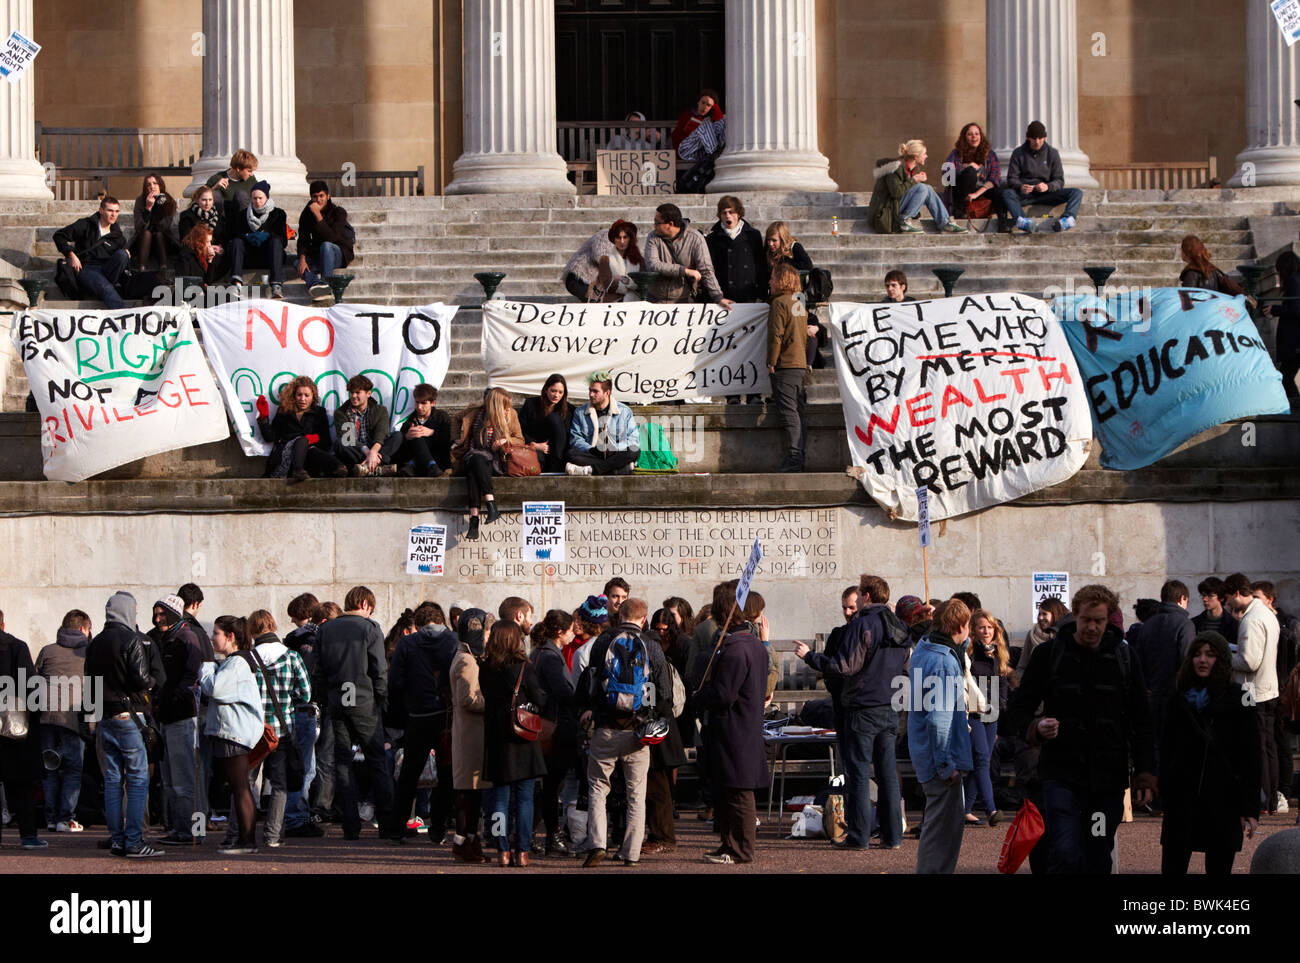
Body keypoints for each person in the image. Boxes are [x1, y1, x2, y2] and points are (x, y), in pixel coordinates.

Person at [1006, 585, 1156, 874]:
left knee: (1097, 853)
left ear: (1108, 619)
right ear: (1074, 614)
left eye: (1099, 621)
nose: (1092, 627)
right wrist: (1036, 727)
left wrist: (1145, 773)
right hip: (1061, 775)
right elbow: (1018, 710)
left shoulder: (1124, 658)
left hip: (1106, 780)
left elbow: (1141, 720)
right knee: (1064, 852)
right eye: (1086, 619)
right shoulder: (1048, 655)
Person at [797, 574, 910, 850]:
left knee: (858, 773)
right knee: (887, 774)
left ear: (867, 597)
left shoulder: (863, 625)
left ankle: (859, 836)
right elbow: (906, 665)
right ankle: (893, 835)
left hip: (863, 706)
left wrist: (810, 656)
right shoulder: (900, 626)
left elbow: (845, 665)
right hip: (890, 704)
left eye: (859, 595)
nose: (856, 600)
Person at [576, 597, 671, 867]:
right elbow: (664, 692)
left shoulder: (603, 642)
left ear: (619, 615)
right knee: (635, 793)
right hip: (638, 732)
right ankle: (631, 852)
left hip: (605, 728)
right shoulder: (651, 646)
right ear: (644, 619)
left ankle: (597, 844)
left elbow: (590, 684)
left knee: (597, 788)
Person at [1160, 632, 1260, 874]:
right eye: (1197, 654)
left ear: (1222, 660)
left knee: (1219, 866)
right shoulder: (1178, 696)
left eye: (1210, 655)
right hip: (1182, 799)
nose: (1202, 660)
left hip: (1223, 799)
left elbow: (1251, 755)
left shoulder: (1240, 697)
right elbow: (1165, 746)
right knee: (1173, 865)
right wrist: (1165, 786)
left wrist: (1250, 808)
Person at [84, 592, 163, 857]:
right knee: (139, 779)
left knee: (113, 779)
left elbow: (89, 684)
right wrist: (151, 683)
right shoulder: (131, 639)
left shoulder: (95, 643)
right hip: (128, 716)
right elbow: (142, 680)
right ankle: (134, 841)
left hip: (105, 718)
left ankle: (117, 839)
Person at [695, 584, 769, 864]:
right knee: (726, 790)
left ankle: (740, 850)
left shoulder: (738, 648)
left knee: (738, 792)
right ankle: (728, 844)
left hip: (735, 728)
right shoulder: (748, 645)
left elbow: (725, 693)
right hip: (735, 728)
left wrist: (700, 697)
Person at [314, 586, 395, 840]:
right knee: (377, 762)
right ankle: (388, 825)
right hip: (365, 701)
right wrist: (382, 698)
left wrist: (325, 699)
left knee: (343, 762)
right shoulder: (370, 629)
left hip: (338, 701)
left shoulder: (326, 629)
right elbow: (379, 669)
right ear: (364, 603)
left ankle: (351, 825)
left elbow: (318, 670)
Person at [908, 598, 974, 873]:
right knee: (943, 836)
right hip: (940, 760)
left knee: (937, 831)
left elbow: (957, 643)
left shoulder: (925, 646)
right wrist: (946, 766)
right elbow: (939, 720)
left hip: (924, 749)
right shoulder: (945, 662)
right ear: (960, 626)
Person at [478, 621, 547, 867]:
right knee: (525, 798)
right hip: (522, 736)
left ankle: (502, 851)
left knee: (499, 798)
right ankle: (523, 851)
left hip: (496, 736)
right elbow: (540, 698)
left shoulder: (485, 667)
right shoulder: (523, 667)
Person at [389, 602, 458, 845]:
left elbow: (395, 681)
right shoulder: (453, 641)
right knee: (446, 774)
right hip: (446, 716)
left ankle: (397, 827)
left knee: (409, 773)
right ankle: (438, 828)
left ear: (418, 624)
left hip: (418, 716)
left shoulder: (408, 643)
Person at [200, 615, 263, 854]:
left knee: (240, 788)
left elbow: (216, 689)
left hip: (234, 733)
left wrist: (206, 668)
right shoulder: (235, 662)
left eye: (216, 633)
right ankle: (243, 840)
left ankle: (247, 841)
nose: (212, 637)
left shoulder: (236, 663)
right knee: (239, 787)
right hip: (233, 732)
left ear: (231, 637)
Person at [247, 610, 311, 849]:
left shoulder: (248, 658)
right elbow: (305, 692)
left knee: (246, 783)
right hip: (282, 731)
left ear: (252, 630)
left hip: (253, 730)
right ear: (273, 625)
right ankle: (272, 835)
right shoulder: (292, 656)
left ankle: (244, 833)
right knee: (279, 785)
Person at [1223, 572, 1282, 814]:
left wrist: (1225, 655)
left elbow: (1249, 661)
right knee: (1269, 747)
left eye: (1228, 598)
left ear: (1237, 593)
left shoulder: (1251, 619)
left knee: (1257, 748)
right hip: (1267, 688)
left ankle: (1263, 799)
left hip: (1253, 692)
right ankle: (1270, 799)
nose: (1227, 604)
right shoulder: (1265, 613)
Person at [1128, 580, 1196, 786]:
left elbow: (1138, 661)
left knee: (1155, 745)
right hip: (1176, 696)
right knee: (1178, 746)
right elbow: (1187, 661)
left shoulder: (1148, 625)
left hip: (1152, 695)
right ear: (1182, 599)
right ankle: (1173, 792)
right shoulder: (1185, 624)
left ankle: (1156, 793)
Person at [151, 595, 205, 845]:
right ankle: (182, 828)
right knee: (173, 779)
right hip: (169, 714)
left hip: (182, 715)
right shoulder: (168, 637)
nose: (158, 619)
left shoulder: (186, 637)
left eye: (163, 614)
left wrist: (174, 695)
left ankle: (192, 831)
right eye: (156, 614)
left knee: (185, 779)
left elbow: (193, 675)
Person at [35, 610, 90, 834]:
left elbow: (34, 680)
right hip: (72, 718)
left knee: (49, 768)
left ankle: (50, 818)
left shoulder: (48, 651)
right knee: (73, 769)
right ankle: (65, 818)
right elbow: (92, 688)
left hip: (46, 717)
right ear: (82, 629)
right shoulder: (88, 652)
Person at [529, 610, 577, 856]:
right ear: (560, 632)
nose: (573, 633)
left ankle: (532, 833)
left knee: (547, 786)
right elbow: (563, 692)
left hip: (544, 725)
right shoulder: (550, 657)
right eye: (570, 629)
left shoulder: (539, 652)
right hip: (554, 727)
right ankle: (550, 836)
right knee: (551, 786)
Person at [642, 608, 688, 854]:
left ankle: (662, 837)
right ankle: (658, 835)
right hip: (663, 729)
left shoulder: (654, 664)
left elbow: (657, 699)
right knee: (657, 786)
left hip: (658, 731)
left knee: (657, 787)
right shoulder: (660, 659)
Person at [451, 387, 525, 540]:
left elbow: (520, 440)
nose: (508, 410)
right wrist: (456, 439)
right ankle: (491, 504)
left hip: (497, 462)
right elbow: (455, 419)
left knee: (474, 468)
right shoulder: (476, 412)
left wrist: (505, 440)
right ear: (495, 406)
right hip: (473, 456)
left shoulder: (512, 415)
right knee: (476, 459)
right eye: (505, 407)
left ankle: (474, 519)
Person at [1253, 580, 1299, 814]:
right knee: (1269, 740)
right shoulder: (1253, 620)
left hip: (1283, 689)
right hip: (1265, 689)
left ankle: (1284, 790)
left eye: (1257, 597)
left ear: (1270, 599)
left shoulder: (1286, 623)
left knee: (1281, 742)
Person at [450, 608, 491, 863]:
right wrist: (495, 702)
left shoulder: (467, 656)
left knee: (472, 794)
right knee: (467, 792)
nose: (488, 636)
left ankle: (469, 839)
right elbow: (468, 700)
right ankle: (463, 842)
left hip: (471, 734)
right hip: (470, 735)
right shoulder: (466, 660)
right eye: (485, 631)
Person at [0, 613, 45, 850]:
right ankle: (28, 836)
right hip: (15, 727)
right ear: (3, 624)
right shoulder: (17, 647)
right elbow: (31, 687)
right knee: (22, 785)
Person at [964, 609, 1011, 827]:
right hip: (974, 711)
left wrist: (999, 709)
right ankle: (991, 808)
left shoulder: (999, 652)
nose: (986, 631)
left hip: (992, 713)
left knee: (981, 761)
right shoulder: (971, 652)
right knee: (982, 758)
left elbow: (1002, 684)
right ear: (974, 630)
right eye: (982, 627)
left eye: (990, 627)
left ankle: (965, 809)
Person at [282, 592, 323, 838]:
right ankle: (297, 817)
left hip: (295, 708)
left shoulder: (292, 641)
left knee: (302, 765)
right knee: (306, 766)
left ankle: (296, 814)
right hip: (308, 707)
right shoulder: (316, 639)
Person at [256, 375, 347, 483]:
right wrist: (263, 416)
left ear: (313, 396)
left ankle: (339, 467)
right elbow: (270, 437)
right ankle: (297, 470)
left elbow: (326, 442)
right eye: (299, 395)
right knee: (302, 440)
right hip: (286, 458)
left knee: (310, 448)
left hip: (308, 462)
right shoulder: (284, 411)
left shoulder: (319, 412)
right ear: (294, 396)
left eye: (306, 395)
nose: (302, 399)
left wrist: (314, 438)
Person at [868, 140, 967, 235]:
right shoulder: (895, 168)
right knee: (922, 188)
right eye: (924, 154)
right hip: (884, 214)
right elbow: (896, 192)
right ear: (916, 157)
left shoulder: (910, 170)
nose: (926, 156)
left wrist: (915, 181)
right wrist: (914, 180)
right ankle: (904, 221)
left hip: (894, 208)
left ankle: (945, 223)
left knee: (926, 188)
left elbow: (907, 192)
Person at [1001, 120, 1083, 234]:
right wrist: (1021, 186)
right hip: (1025, 194)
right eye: (1034, 138)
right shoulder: (1018, 153)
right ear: (1028, 138)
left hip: (1047, 193)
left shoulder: (1052, 153)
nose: (1037, 142)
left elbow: (1059, 180)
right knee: (1007, 193)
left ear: (1045, 138)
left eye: (1040, 138)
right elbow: (1012, 178)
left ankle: (1067, 219)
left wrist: (1048, 186)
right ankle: (1023, 222)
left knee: (1076, 192)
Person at [644, 203, 731, 306]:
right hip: (655, 300)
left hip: (683, 302)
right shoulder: (653, 237)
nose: (654, 226)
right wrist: (684, 271)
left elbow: (706, 270)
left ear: (670, 224)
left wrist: (718, 297)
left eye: (657, 223)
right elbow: (653, 265)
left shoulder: (696, 238)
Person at [51, 196, 130, 308]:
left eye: (117, 211)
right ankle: (124, 315)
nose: (114, 215)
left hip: (107, 269)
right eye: (110, 210)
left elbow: (121, 261)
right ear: (101, 210)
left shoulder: (118, 236)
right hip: (86, 267)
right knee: (105, 287)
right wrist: (71, 254)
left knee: (123, 254)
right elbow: (59, 236)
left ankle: (99, 288)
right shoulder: (86, 224)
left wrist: (126, 254)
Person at [766, 263, 808, 472]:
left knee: (789, 413)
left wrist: (771, 361)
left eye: (773, 278)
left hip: (786, 365)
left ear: (781, 280)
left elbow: (776, 335)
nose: (770, 282)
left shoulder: (779, 303)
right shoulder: (798, 303)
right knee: (799, 412)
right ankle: (799, 455)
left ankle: (794, 458)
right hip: (800, 364)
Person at [566, 372, 640, 476]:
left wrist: (612, 449)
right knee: (571, 454)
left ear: (607, 392)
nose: (591, 394)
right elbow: (576, 440)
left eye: (595, 391)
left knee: (634, 451)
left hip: (615, 453)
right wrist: (592, 450)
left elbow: (633, 440)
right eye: (590, 391)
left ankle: (591, 470)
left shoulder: (624, 411)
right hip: (593, 453)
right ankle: (616, 469)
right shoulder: (580, 412)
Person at [296, 180, 356, 304]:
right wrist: (302, 259)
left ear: (328, 196)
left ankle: (326, 284)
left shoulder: (339, 212)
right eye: (315, 197)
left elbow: (332, 238)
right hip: (319, 254)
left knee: (326, 246)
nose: (318, 200)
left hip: (338, 254)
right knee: (297, 262)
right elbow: (303, 238)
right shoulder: (307, 213)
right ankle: (316, 284)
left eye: (321, 196)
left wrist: (318, 215)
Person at [228, 180, 288, 298]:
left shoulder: (278, 214)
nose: (257, 201)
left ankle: (276, 285)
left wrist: (267, 236)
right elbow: (236, 235)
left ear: (267, 197)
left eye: (260, 198)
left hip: (269, 255)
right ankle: (236, 283)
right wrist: (247, 237)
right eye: (254, 198)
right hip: (249, 256)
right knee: (237, 242)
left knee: (276, 242)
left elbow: (283, 241)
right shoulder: (243, 215)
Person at [333, 374, 400, 477]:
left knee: (398, 436)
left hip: (376, 450)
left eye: (357, 392)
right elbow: (349, 439)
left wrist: (373, 451)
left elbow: (381, 435)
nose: (354, 396)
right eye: (352, 393)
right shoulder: (341, 412)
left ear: (368, 393)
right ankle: (377, 467)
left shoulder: (380, 410)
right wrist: (368, 452)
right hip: (358, 451)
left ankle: (367, 468)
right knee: (340, 443)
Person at [943, 122, 1007, 227]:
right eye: (970, 134)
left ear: (981, 136)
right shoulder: (955, 153)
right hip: (962, 192)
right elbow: (946, 178)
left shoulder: (990, 154)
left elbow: (994, 177)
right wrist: (965, 168)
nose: (974, 137)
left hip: (981, 190)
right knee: (970, 172)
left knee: (1000, 190)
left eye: (977, 134)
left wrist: (976, 194)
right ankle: (960, 211)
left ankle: (1003, 222)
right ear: (964, 137)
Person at [562, 220, 643, 303]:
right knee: (594, 303)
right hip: (579, 278)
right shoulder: (605, 235)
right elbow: (600, 257)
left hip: (594, 284)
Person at [706, 195, 767, 305]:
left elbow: (761, 267)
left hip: (748, 296)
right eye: (724, 213)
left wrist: (761, 295)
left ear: (738, 214)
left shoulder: (753, 236)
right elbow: (709, 269)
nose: (728, 216)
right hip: (724, 298)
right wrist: (716, 297)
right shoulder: (712, 239)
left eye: (731, 212)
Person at [519, 374, 575, 474]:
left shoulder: (569, 409)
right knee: (538, 458)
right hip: (536, 447)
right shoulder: (531, 404)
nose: (556, 395)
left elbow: (567, 435)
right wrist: (534, 445)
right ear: (546, 389)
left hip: (558, 452)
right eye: (553, 391)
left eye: (560, 392)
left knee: (555, 418)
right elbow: (520, 430)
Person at [395, 383, 453, 478]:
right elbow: (400, 445)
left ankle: (414, 464)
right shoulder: (409, 418)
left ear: (433, 403)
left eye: (423, 403)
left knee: (421, 435)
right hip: (416, 460)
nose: (419, 407)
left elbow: (447, 440)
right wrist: (406, 437)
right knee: (416, 434)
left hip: (437, 458)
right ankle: (431, 466)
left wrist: (431, 433)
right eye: (417, 402)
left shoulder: (441, 417)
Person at [127, 173, 179, 272]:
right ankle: (142, 269)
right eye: (148, 184)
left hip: (163, 240)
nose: (152, 186)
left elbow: (163, 226)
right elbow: (139, 227)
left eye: (155, 183)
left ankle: (164, 269)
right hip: (143, 242)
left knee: (159, 234)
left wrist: (157, 206)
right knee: (146, 233)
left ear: (160, 185)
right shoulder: (140, 201)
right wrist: (148, 208)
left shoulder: (169, 201)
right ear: (145, 188)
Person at [1268, 250, 1300, 403]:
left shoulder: (1294, 280)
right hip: (1295, 341)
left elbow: (1295, 309)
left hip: (1294, 342)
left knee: (1286, 378)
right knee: (1287, 378)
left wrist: (1274, 309)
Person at [1017, 597, 1068, 682]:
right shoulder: (1032, 634)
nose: (1040, 618)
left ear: (1055, 614)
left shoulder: (1065, 636)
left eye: (1044, 614)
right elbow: (1022, 666)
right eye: (1039, 614)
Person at [1178, 235, 1246, 295]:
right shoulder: (1214, 270)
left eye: (1181, 249)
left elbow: (1187, 301)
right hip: (1213, 308)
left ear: (1187, 252)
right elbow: (1232, 287)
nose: (1181, 252)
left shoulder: (1191, 274)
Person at [672, 89, 725, 164]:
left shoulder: (711, 121)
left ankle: (718, 151)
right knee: (707, 122)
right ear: (698, 102)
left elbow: (720, 122)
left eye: (708, 105)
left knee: (722, 121)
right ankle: (715, 153)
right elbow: (676, 136)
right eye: (703, 103)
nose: (705, 107)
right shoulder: (687, 116)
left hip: (699, 154)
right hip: (685, 149)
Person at [178, 185, 226, 255]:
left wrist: (218, 247)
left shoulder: (217, 215)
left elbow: (221, 236)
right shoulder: (187, 216)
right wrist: (207, 247)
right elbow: (186, 240)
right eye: (204, 200)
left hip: (215, 252)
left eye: (210, 200)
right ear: (197, 200)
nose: (207, 203)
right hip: (195, 251)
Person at [178, 223, 227, 287]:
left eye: (210, 241)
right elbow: (183, 282)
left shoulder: (202, 255)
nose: (210, 245)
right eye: (207, 242)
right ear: (199, 242)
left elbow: (208, 281)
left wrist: (210, 260)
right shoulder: (186, 255)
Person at [1192, 576, 1239, 644]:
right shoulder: (1194, 623)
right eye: (1203, 595)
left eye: (1210, 596)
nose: (1205, 599)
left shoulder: (1232, 624)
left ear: (1221, 598)